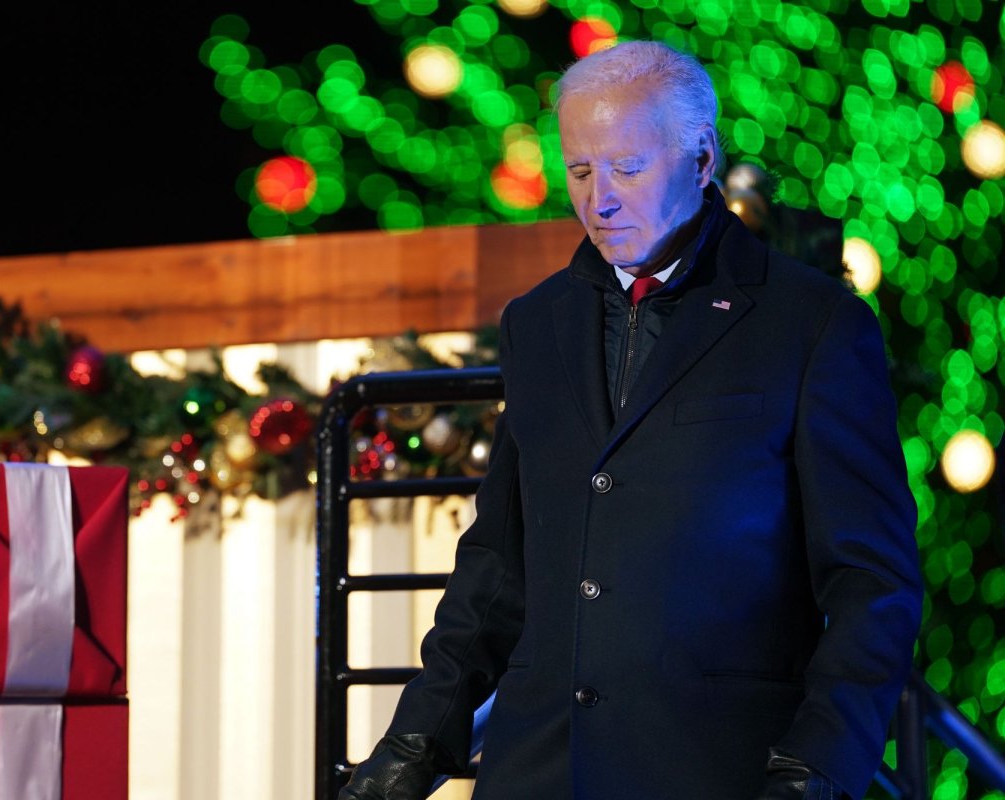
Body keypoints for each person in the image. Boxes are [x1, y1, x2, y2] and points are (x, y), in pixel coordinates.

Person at [339, 40, 922, 800]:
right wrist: (414, 745)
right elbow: (498, 565)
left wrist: (817, 767)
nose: (599, 200)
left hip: (721, 772)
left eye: (628, 168)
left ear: (701, 159)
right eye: (580, 170)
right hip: (537, 771)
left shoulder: (811, 323)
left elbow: (872, 583)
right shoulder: (537, 323)